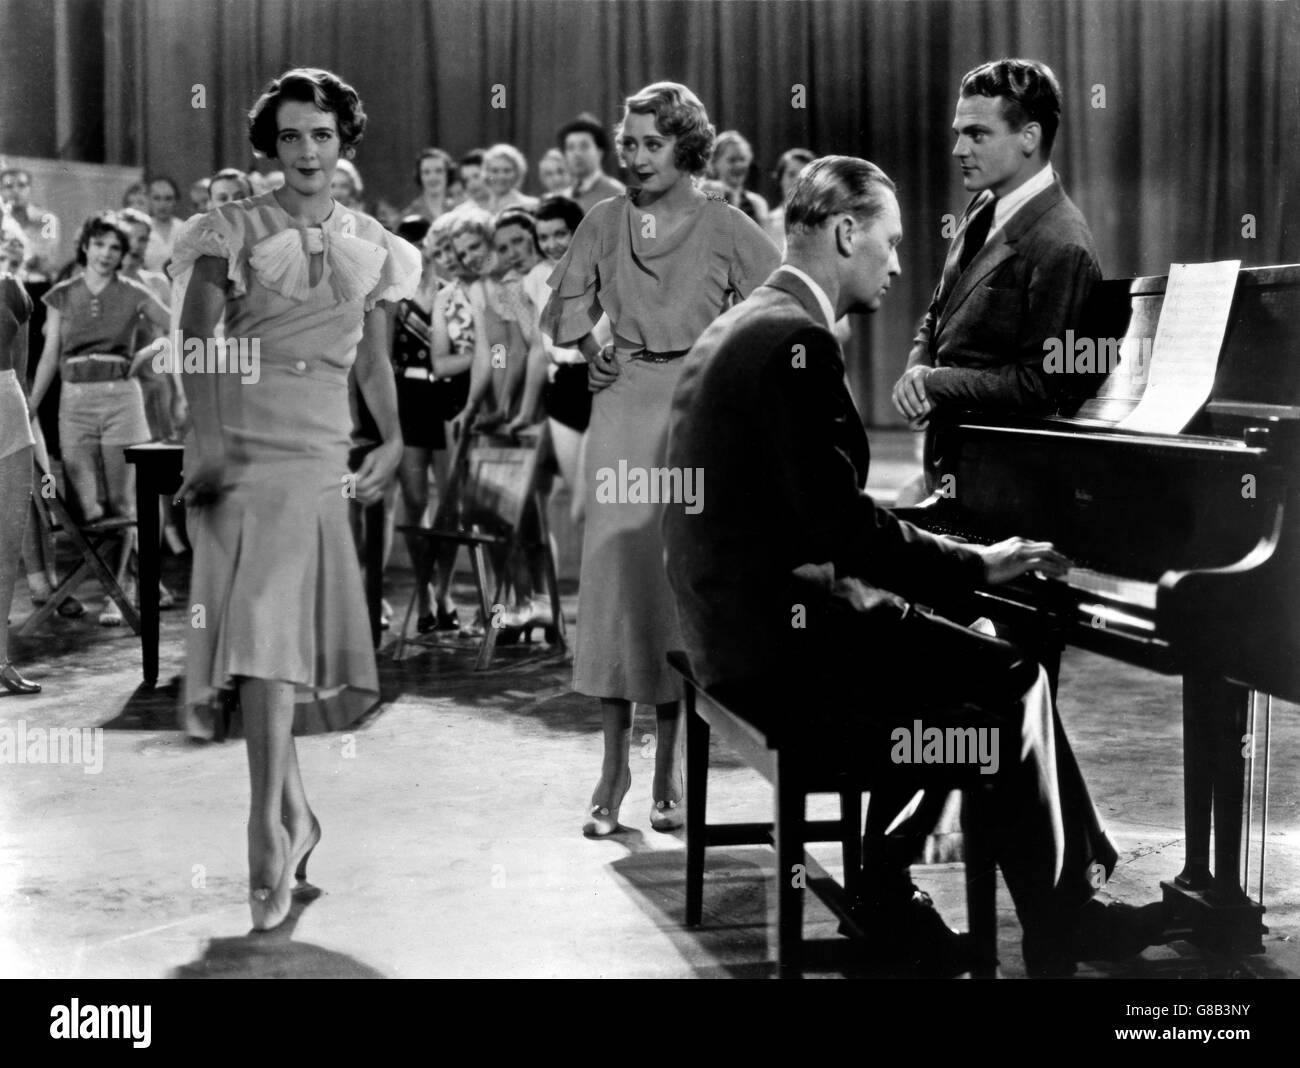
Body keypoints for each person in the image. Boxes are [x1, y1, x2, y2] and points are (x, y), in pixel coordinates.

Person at [663, 155, 1165, 977]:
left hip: (735, 616)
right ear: (845, 231)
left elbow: (813, 512)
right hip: (773, 645)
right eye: (890, 245)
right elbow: (842, 531)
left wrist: (941, 557)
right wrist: (975, 561)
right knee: (1009, 676)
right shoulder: (798, 340)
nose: (899, 265)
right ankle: (1047, 919)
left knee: (964, 654)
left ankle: (902, 878)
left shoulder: (750, 318)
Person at [169, 67, 419, 930]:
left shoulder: (380, 245)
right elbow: (194, 342)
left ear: (344, 140)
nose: (306, 151)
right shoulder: (228, 227)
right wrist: (203, 443)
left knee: (270, 633)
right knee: (261, 638)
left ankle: (276, 822)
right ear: (269, 148)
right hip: (240, 444)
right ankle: (278, 820)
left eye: (320, 134)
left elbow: (377, 362)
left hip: (318, 448)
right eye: (289, 137)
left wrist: (390, 438)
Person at [542, 81, 780, 838]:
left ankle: (671, 766)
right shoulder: (606, 220)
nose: (636, 157)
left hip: (695, 415)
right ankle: (613, 766)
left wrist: (730, 375)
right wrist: (593, 349)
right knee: (616, 585)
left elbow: (784, 305)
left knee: (677, 587)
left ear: (686, 147)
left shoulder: (727, 225)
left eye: (652, 143)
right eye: (630, 143)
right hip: (619, 409)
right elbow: (563, 303)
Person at [892, 58, 1100, 426]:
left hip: (1003, 469)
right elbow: (941, 310)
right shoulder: (983, 204)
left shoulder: (1063, 244)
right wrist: (917, 367)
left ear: (1029, 137)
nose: (958, 149)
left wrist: (934, 382)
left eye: (977, 134)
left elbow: (1041, 386)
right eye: (959, 133)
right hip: (954, 453)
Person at [27, 211, 171, 626]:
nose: (107, 254)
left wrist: (147, 352)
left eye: (116, 248)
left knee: (123, 504)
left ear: (123, 254)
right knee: (87, 509)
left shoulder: (134, 291)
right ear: (86, 246)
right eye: (100, 245)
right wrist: (33, 404)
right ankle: (118, 584)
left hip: (122, 401)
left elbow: (180, 326)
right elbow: (51, 352)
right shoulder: (61, 294)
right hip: (74, 402)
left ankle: (120, 595)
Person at [510, 195, 593, 527]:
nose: (551, 244)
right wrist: (526, 411)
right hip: (564, 390)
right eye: (543, 237)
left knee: (588, 505)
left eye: (560, 234)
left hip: (605, 385)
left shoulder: (608, 269)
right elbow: (538, 353)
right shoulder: (537, 279)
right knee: (582, 513)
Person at [0, 262, 39, 693]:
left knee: (6, 550)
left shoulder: (11, 285)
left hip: (8, 417)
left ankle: (1, 661)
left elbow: (21, 371)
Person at [558, 112, 626, 214]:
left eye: (584, 146)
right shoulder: (564, 196)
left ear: (600, 152)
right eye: (570, 147)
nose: (577, 153)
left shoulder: (616, 194)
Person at [0, 168, 61, 281]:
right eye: (9, 186)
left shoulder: (47, 220)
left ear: (30, 189)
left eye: (21, 185)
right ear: (1, 191)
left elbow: (45, 260)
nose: (15, 191)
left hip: (35, 283)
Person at [707, 130, 769, 229]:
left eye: (742, 159)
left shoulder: (757, 204)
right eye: (732, 160)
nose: (739, 166)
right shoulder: (705, 196)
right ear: (715, 163)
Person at [765, 147, 815, 245]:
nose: (797, 181)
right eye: (791, 174)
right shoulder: (767, 224)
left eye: (805, 176)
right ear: (780, 179)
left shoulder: (824, 223)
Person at [482, 144, 539, 215]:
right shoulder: (478, 207)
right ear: (486, 173)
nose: (501, 176)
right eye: (495, 171)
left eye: (507, 171)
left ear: (517, 173)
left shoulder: (531, 206)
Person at [403, 148, 456, 223]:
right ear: (419, 176)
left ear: (448, 174)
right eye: (426, 172)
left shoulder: (458, 210)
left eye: (439, 171)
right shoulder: (409, 215)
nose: (432, 177)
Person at [143, 175, 182, 271]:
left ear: (176, 201)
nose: (162, 204)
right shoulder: (142, 229)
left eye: (168, 199)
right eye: (157, 198)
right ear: (148, 200)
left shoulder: (185, 228)